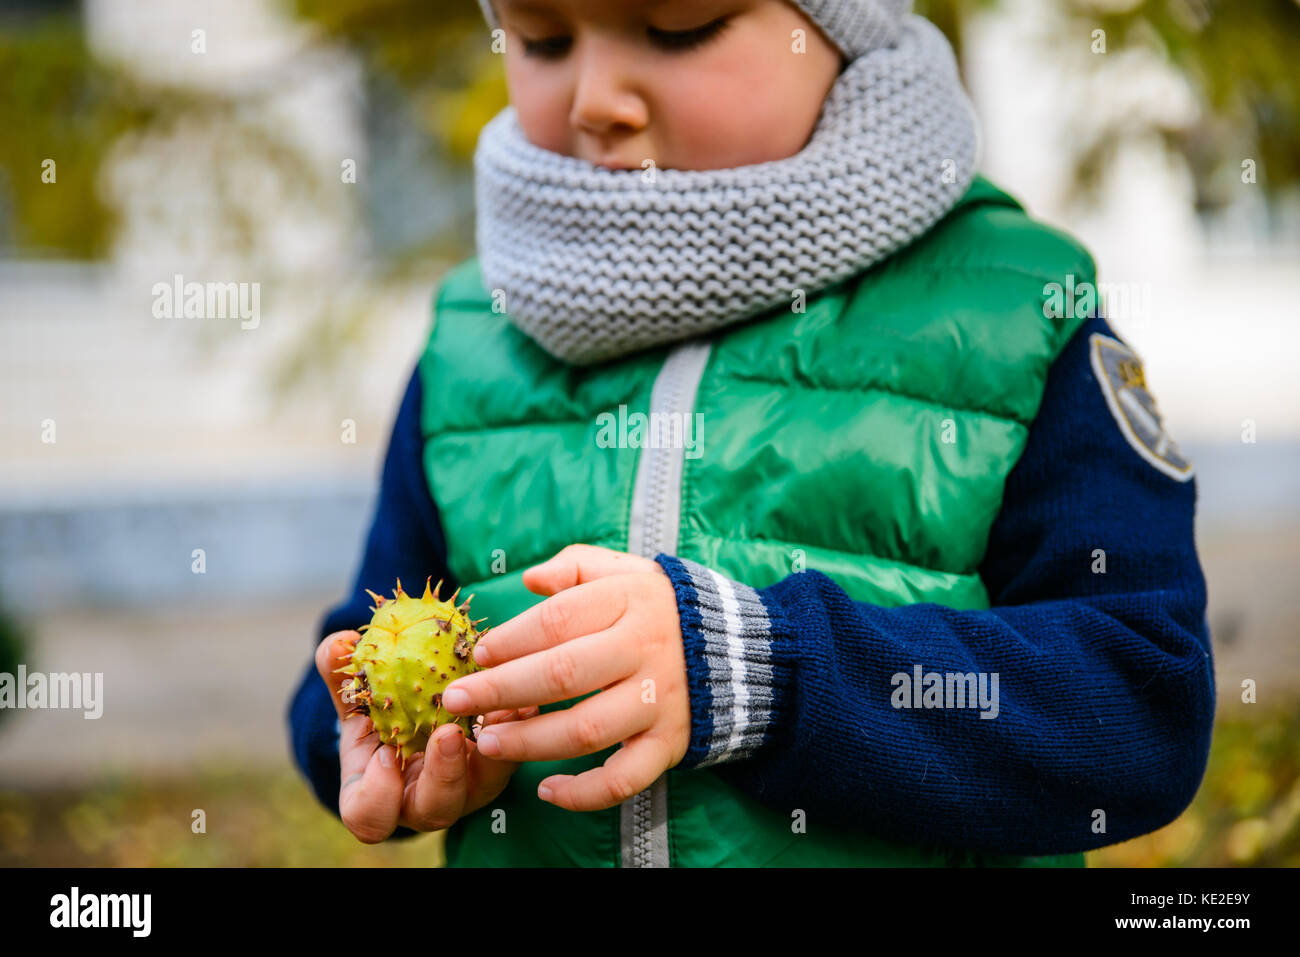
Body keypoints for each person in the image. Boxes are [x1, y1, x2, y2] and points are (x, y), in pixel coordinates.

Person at [288, 0, 1215, 867]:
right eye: (540, 40)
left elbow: (1142, 702)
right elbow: (348, 652)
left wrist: (764, 672)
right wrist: (380, 740)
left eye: (678, 27)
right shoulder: (473, 338)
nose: (596, 99)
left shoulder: (1018, 316)